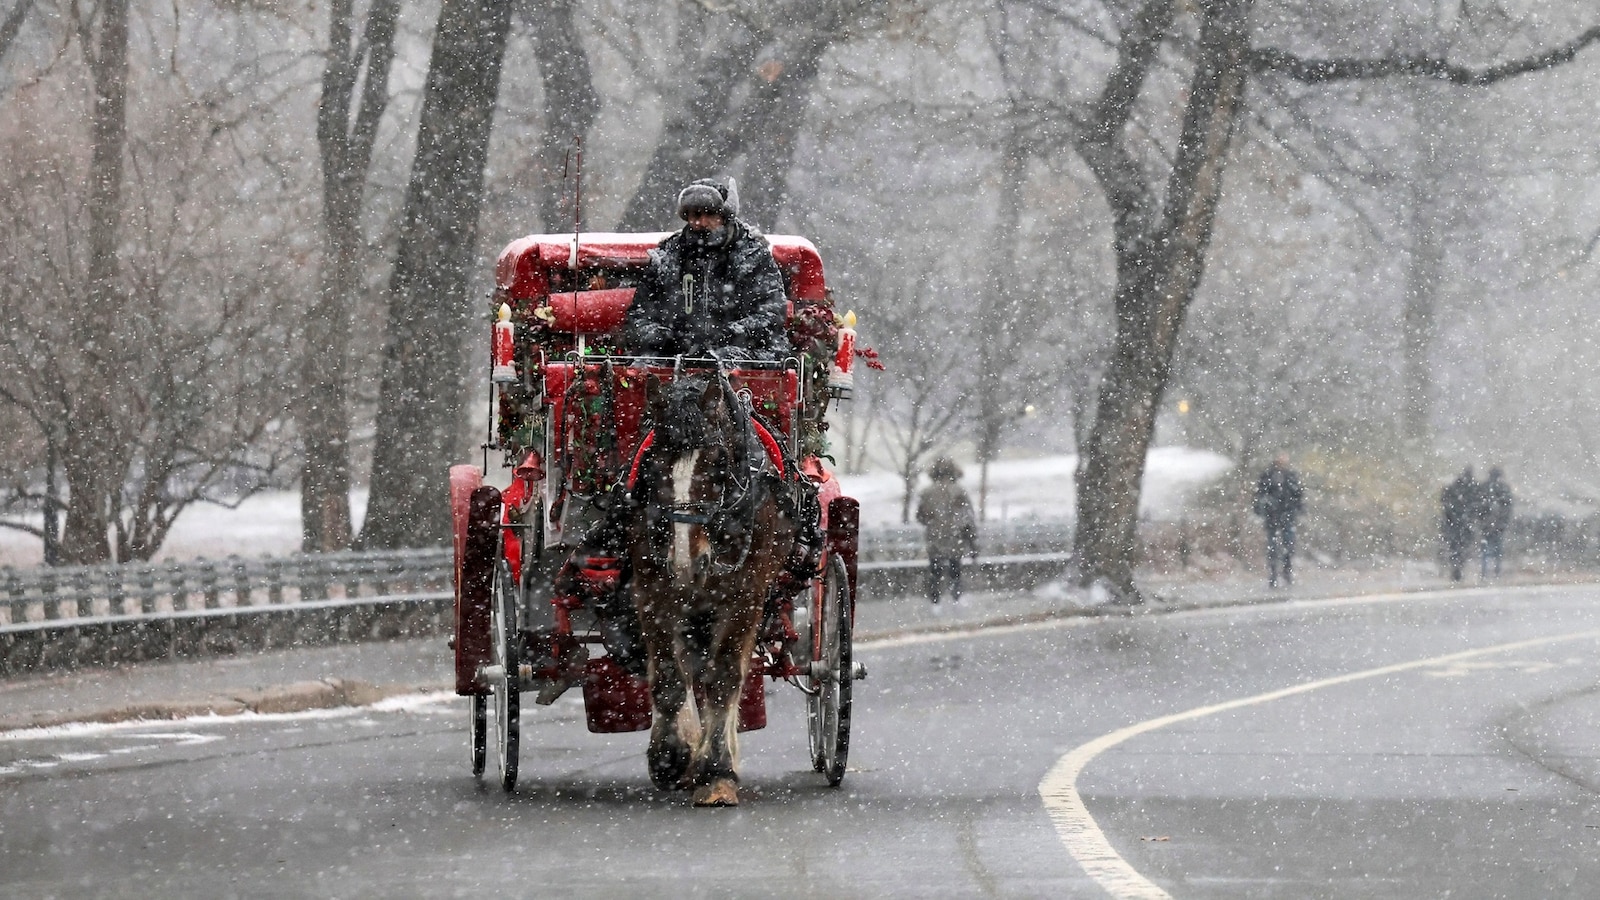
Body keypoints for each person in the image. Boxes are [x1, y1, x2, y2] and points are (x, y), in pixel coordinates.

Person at [623, 177, 789, 361]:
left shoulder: (753, 256)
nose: (701, 222)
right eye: (695, 215)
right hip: (675, 357)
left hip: (746, 355)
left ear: (725, 215)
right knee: (644, 366)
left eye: (710, 214)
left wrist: (725, 336)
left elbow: (771, 315)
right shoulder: (668, 256)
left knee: (723, 364)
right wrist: (668, 339)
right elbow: (639, 314)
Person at [916, 457, 978, 606]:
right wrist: (972, 539)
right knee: (955, 569)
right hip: (955, 537)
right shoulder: (959, 491)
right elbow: (967, 516)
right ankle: (956, 598)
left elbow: (921, 516)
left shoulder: (927, 493)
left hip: (935, 538)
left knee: (935, 571)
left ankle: (935, 602)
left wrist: (934, 520)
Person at [1253, 454, 1304, 588]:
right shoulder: (1269, 476)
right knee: (1274, 546)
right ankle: (1274, 574)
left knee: (1286, 545)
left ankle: (1284, 572)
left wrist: (1298, 507)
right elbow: (1260, 495)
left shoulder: (1289, 476)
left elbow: (1298, 494)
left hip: (1285, 515)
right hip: (1274, 516)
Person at [1440, 467, 1478, 582]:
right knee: (1463, 547)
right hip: (1464, 524)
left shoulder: (1453, 488)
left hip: (1453, 523)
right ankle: (1459, 567)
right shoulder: (1472, 489)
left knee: (1454, 546)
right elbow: (1476, 505)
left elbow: (1444, 501)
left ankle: (1455, 568)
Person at [1478, 466, 1513, 579]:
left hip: (1486, 525)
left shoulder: (1484, 487)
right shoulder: (1504, 488)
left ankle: (1484, 573)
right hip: (1498, 526)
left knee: (1485, 550)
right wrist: (1503, 522)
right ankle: (1497, 572)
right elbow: (1508, 508)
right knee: (1497, 550)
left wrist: (1482, 521)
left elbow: (1479, 507)